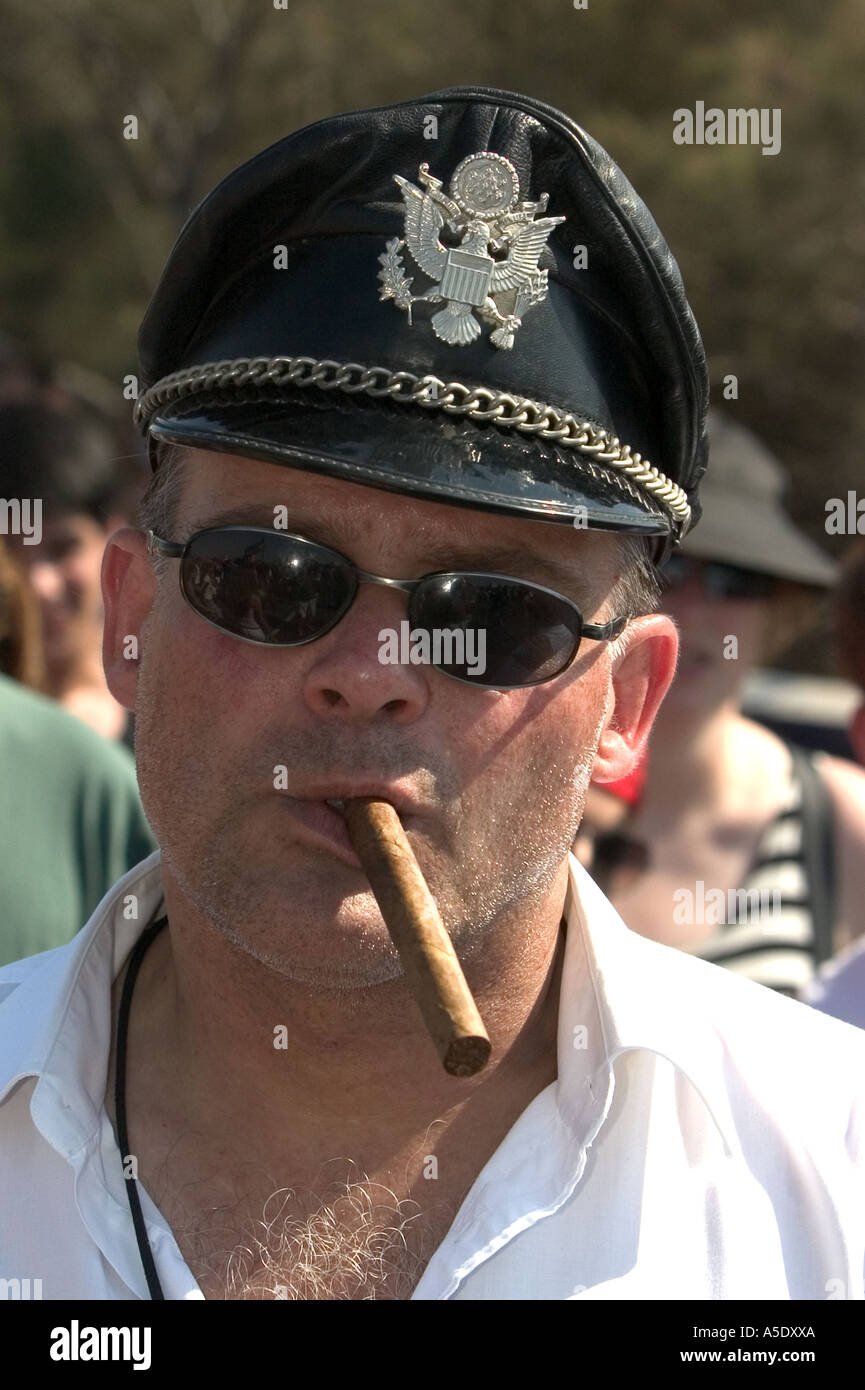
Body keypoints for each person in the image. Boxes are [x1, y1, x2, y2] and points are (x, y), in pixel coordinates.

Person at [1, 87, 864, 1302]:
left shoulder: (831, 1188)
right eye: (275, 578)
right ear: (131, 619)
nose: (369, 676)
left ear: (628, 703)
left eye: (494, 616)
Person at [594, 410, 865, 996]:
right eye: (665, 563)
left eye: (736, 581)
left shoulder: (845, 823)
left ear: (780, 607)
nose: (692, 610)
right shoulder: (516, 793)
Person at [0, 398, 142, 746]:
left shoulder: (172, 723)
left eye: (63, 549)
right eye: (9, 554)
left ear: (114, 547)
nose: (39, 583)